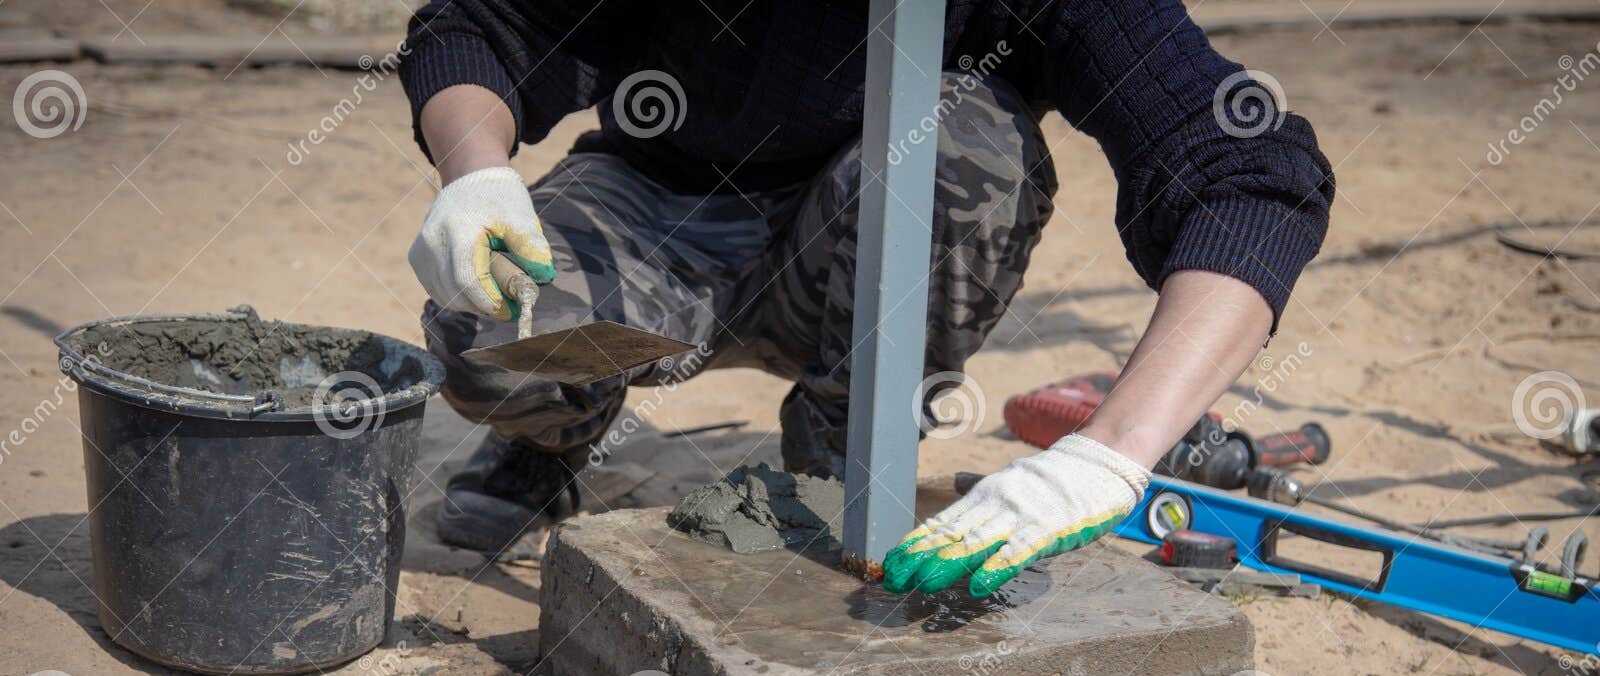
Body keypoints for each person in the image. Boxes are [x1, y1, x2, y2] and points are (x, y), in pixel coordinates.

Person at [399, 0, 1333, 594]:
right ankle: (558, 432)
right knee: (495, 333)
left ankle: (846, 455)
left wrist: (1110, 454)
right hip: (658, 211)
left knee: (971, 142)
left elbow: (1249, 173)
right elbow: (479, 25)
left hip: (863, 243)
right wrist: (474, 174)